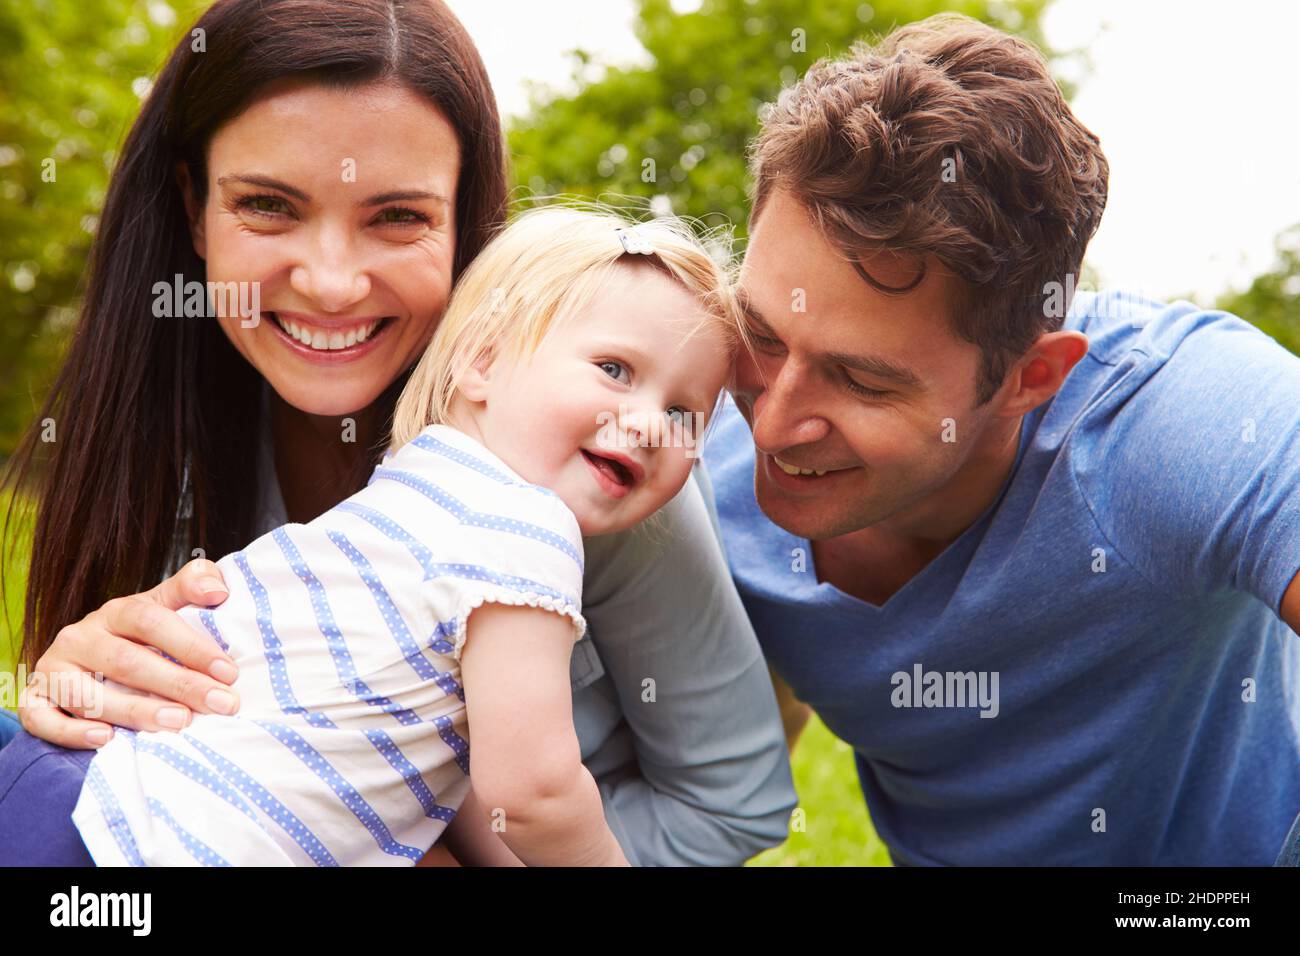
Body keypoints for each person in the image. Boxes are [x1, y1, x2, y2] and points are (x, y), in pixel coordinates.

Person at [0, 0, 795, 868]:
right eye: (267, 204)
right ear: (194, 210)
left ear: (465, 228)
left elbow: (731, 807)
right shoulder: (172, 430)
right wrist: (80, 677)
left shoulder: (598, 459)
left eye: (399, 216)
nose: (333, 283)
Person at [702, 13, 1300, 866]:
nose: (770, 420)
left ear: (1029, 378)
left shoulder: (1174, 420)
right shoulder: (688, 466)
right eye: (760, 333)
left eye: (865, 380)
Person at [66, 207, 740, 867]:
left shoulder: (418, 481)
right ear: (482, 359)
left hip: (92, 788)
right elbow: (533, 791)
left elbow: (467, 779)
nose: (652, 424)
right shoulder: (528, 529)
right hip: (155, 842)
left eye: (684, 413)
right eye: (615, 370)